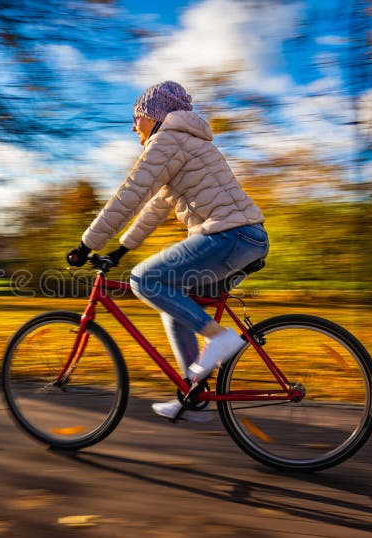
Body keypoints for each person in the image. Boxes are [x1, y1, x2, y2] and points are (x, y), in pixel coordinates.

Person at [67, 81, 268, 422]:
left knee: (144, 280)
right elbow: (155, 207)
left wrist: (87, 243)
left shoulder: (167, 141)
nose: (133, 126)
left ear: (155, 114)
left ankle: (219, 340)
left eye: (137, 117)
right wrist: (120, 249)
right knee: (173, 303)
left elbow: (130, 194)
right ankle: (195, 391)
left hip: (230, 235)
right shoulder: (184, 144)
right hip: (241, 237)